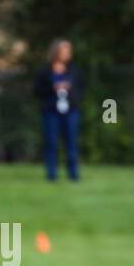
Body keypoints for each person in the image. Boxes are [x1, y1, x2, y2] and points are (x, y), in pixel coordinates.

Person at [34, 38, 83, 181]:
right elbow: (37, 91)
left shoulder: (74, 71)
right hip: (51, 111)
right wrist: (52, 88)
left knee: (72, 142)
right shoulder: (45, 71)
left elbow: (81, 89)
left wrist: (72, 95)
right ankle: (51, 174)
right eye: (65, 50)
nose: (68, 53)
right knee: (51, 142)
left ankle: (73, 175)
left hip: (70, 111)